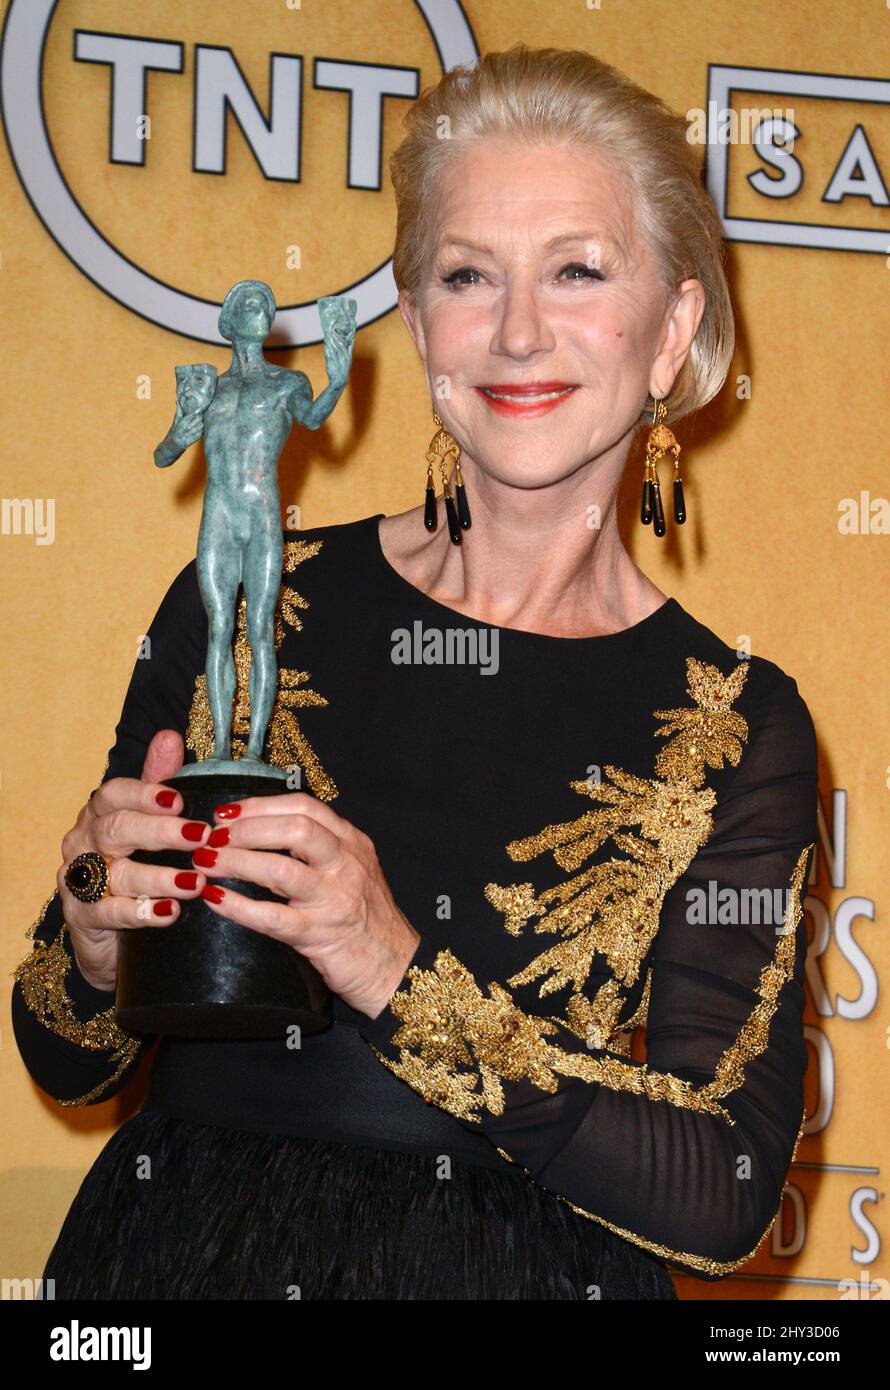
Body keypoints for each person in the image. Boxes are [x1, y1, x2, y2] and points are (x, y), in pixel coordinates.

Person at [12, 44, 817, 1301]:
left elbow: (719, 1188)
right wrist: (97, 938)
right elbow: (62, 1059)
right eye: (465, 275)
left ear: (671, 331)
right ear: (413, 315)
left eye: (577, 270)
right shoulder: (258, 607)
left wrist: (393, 970)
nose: (514, 331)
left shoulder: (728, 720)